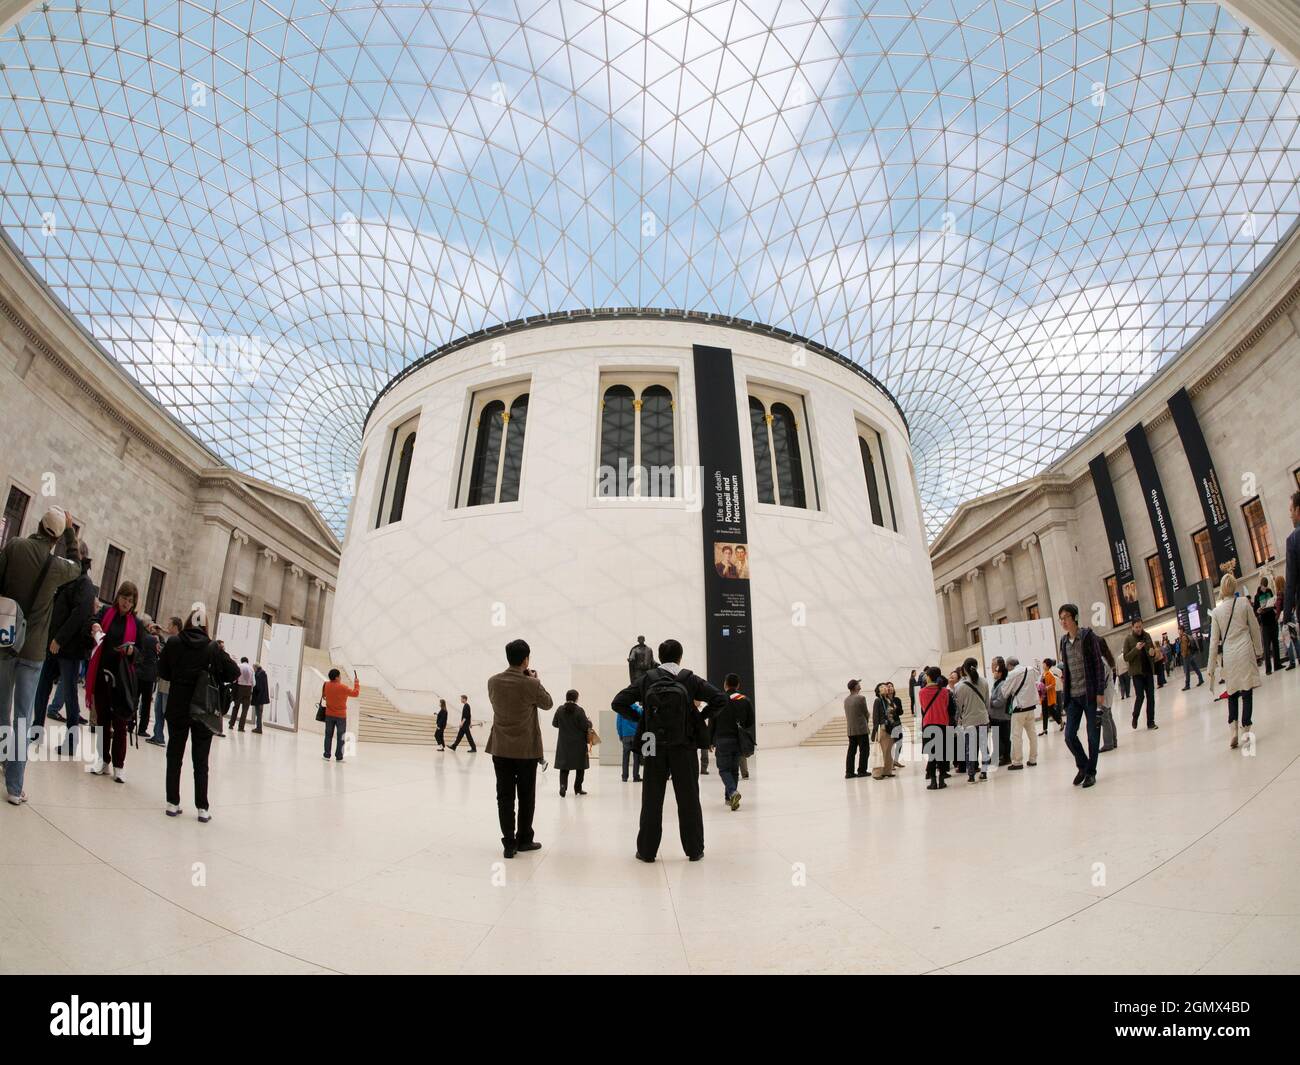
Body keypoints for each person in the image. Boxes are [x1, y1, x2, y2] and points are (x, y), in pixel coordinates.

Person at [612, 637, 725, 862]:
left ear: (659, 658)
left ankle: (646, 851)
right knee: (689, 798)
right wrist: (696, 718)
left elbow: (618, 702)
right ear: (680, 657)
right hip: (684, 744)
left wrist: (642, 717)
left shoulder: (647, 679)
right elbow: (720, 699)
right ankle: (694, 850)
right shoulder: (689, 679)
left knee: (651, 799)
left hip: (651, 742)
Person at [0, 506, 81, 803]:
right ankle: (14, 786)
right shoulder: (58, 566)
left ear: (37, 524)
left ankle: (4, 758)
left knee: (2, 712)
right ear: (57, 537)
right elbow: (78, 565)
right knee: (23, 716)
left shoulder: (15, 546)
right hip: (33, 650)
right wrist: (71, 533)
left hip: (4, 642)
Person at [158, 606, 239, 821]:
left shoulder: (174, 642)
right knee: (201, 760)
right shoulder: (213, 648)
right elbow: (234, 672)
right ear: (205, 626)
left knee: (174, 754)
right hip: (203, 708)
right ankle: (202, 808)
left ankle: (172, 803)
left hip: (177, 705)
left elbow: (163, 671)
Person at [486, 638, 553, 858]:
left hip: (500, 748)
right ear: (526, 659)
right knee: (526, 796)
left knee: (504, 796)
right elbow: (548, 703)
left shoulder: (493, 681)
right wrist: (535, 680)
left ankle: (508, 843)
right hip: (526, 751)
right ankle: (524, 839)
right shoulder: (531, 684)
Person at [34, 539, 95, 757]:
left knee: (70, 694)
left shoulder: (84, 583)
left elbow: (79, 614)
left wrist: (59, 639)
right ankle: (36, 730)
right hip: (53, 644)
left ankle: (71, 742)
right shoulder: (66, 577)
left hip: (68, 647)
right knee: (42, 689)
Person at [86, 581, 142, 782]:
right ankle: (103, 760)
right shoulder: (106, 612)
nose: (126, 603)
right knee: (102, 720)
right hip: (103, 673)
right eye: (124, 598)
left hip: (122, 680)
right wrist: (94, 625)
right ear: (118, 596)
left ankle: (119, 765)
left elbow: (141, 652)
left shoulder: (137, 624)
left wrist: (131, 651)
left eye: (130, 600)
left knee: (120, 723)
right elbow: (93, 620)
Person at [1207, 573, 1264, 750]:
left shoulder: (1216, 612)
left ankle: (1233, 730)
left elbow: (1213, 643)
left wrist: (1211, 668)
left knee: (1232, 693)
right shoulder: (1243, 603)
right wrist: (1259, 650)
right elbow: (1254, 628)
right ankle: (1246, 727)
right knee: (1247, 692)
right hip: (1245, 650)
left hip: (1230, 655)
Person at [1057, 603, 1107, 789]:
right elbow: (1067, 670)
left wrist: (1100, 691)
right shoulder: (1063, 641)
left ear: (1075, 618)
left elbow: (1098, 665)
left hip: (1090, 694)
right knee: (1069, 735)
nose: (1063, 621)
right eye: (1061, 618)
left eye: (1066, 617)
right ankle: (1083, 765)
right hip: (1073, 697)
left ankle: (1091, 773)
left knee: (1093, 736)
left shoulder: (1087, 637)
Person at [710, 674, 754, 809]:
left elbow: (712, 721)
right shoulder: (745, 700)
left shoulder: (719, 700)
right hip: (738, 741)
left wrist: (710, 740)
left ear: (725, 684)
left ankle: (733, 792)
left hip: (723, 739)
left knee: (723, 769)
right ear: (738, 685)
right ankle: (729, 798)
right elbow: (750, 721)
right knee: (734, 770)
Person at [951, 657, 990, 782]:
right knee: (984, 747)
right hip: (983, 718)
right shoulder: (984, 682)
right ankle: (984, 773)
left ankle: (971, 775)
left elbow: (959, 706)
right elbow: (987, 702)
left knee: (970, 748)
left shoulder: (959, 686)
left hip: (969, 721)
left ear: (964, 670)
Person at [148, 617, 182, 747]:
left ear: (175, 626)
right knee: (158, 710)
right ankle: (158, 736)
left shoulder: (178, 641)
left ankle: (172, 738)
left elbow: (172, 659)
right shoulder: (170, 640)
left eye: (169, 624)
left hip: (169, 683)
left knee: (166, 711)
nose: (167, 626)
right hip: (163, 681)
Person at [552, 689, 591, 797]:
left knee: (564, 768)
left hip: (564, 744)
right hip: (578, 744)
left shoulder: (560, 710)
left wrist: (564, 725)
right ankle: (578, 789)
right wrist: (589, 722)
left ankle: (563, 787)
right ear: (576, 698)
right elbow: (585, 726)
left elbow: (554, 724)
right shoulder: (579, 710)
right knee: (580, 767)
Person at [918, 667, 952, 790]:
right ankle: (942, 780)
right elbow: (946, 706)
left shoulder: (921, 692)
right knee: (942, 754)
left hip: (929, 724)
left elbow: (923, 708)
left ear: (929, 677)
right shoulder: (944, 691)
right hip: (942, 723)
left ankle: (933, 781)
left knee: (932, 755)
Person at [1003, 656, 1039, 769]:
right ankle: (1033, 759)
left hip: (1019, 709)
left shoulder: (1012, 674)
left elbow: (1005, 692)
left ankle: (1017, 762)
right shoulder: (1031, 669)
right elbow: (1037, 676)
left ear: (1009, 665)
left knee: (1016, 736)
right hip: (1031, 707)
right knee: (1032, 734)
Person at [1123, 618, 1159, 729]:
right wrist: (1136, 649)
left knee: (1151, 697)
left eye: (1140, 626)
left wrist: (1153, 653)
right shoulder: (1128, 639)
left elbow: (1152, 651)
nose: (1139, 629)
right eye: (1136, 627)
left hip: (1148, 670)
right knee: (1140, 697)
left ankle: (1150, 722)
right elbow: (1126, 657)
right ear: (1132, 627)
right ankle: (1135, 716)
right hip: (1137, 673)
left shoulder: (1147, 636)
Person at [321, 668, 359, 761]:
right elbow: (355, 693)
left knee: (328, 735)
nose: (340, 677)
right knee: (340, 737)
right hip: (341, 716)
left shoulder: (326, 685)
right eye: (340, 676)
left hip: (329, 714)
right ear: (337, 677)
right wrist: (356, 683)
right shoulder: (343, 687)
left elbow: (324, 695)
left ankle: (326, 755)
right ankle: (339, 756)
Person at [133, 614, 160, 740]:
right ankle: (142, 728)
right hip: (148, 674)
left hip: (138, 671)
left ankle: (129, 724)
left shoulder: (139, 635)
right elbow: (159, 651)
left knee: (134, 699)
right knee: (146, 703)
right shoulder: (153, 639)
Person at [987, 655, 1012, 766]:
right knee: (999, 737)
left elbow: (1000, 701)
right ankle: (1001, 756)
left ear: (1001, 672)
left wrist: (990, 703)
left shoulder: (1002, 684)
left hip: (1001, 716)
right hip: (997, 716)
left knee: (1003, 738)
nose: (994, 672)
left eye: (996, 669)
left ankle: (1005, 757)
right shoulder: (997, 683)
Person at [843, 679, 870, 778]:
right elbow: (866, 713)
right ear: (855, 687)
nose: (860, 685)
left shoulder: (846, 700)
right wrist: (867, 720)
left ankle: (849, 772)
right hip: (861, 729)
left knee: (851, 751)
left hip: (851, 729)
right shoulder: (861, 698)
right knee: (864, 750)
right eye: (858, 684)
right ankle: (862, 770)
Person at [1253, 576, 1281, 676]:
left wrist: (1273, 605)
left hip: (1272, 620)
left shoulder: (1269, 591)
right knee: (1267, 646)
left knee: (1276, 643)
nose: (1265, 588)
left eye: (1266, 586)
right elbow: (1255, 610)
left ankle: (1277, 664)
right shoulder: (1257, 596)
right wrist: (1258, 610)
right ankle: (1268, 669)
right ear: (1261, 585)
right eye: (1263, 587)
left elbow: (1273, 603)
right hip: (1264, 623)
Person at [870, 682, 895, 780]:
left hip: (890, 727)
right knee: (881, 751)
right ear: (878, 690)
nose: (885, 688)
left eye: (885, 686)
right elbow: (875, 716)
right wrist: (876, 730)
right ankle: (877, 773)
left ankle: (887, 771)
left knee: (889, 751)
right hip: (882, 728)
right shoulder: (878, 701)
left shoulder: (887, 700)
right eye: (882, 687)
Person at [1286, 492, 1300, 671]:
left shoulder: (1293, 539)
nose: (1289, 514)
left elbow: (1290, 582)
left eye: (1291, 510)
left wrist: (1286, 616)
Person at [1098, 639, 1119, 753]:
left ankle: (1108, 743)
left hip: (1105, 692)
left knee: (1105, 717)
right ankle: (1113, 740)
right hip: (1109, 691)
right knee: (1108, 716)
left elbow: (1102, 678)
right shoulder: (1107, 658)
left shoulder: (1101, 660)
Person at [616, 696, 641, 782]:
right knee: (636, 757)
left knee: (625, 757)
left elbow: (618, 724)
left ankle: (624, 777)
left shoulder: (622, 710)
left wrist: (620, 734)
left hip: (626, 736)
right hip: (636, 736)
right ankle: (635, 776)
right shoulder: (638, 709)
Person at [230, 656, 255, 730]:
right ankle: (241, 727)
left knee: (236, 707)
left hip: (239, 688)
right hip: (248, 689)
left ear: (241, 661)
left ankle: (231, 724)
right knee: (245, 709)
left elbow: (234, 679)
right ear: (247, 661)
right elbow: (254, 683)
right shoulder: (251, 668)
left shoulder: (239, 666)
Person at [885, 681, 906, 767]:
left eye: (891, 686)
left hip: (897, 723)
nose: (890, 688)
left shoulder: (897, 700)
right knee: (890, 744)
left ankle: (895, 761)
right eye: (888, 686)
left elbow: (901, 712)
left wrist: (896, 709)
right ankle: (890, 763)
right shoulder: (884, 700)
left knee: (899, 742)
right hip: (889, 725)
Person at [1038, 658, 1059, 735]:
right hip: (1044, 697)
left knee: (1052, 712)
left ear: (1047, 665)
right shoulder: (1043, 674)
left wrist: (1047, 687)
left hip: (1049, 696)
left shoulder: (1050, 674)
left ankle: (1061, 722)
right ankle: (1044, 729)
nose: (1043, 665)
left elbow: (1053, 684)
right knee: (1044, 713)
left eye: (1044, 663)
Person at [250, 662, 269, 733]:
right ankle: (258, 727)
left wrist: (253, 690)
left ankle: (259, 728)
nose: (253, 670)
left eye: (253, 668)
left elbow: (258, 687)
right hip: (262, 697)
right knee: (259, 713)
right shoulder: (263, 673)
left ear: (255, 667)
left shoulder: (258, 674)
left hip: (259, 697)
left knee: (258, 713)